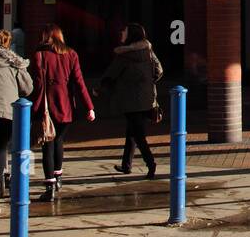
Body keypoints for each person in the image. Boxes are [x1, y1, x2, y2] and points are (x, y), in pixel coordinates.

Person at [30, 24, 95, 201]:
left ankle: (49, 186)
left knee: (47, 145)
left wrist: (32, 106)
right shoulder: (71, 54)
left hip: (47, 108)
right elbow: (79, 82)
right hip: (66, 106)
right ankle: (58, 177)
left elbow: (37, 85)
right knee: (59, 140)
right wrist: (89, 106)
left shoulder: (39, 55)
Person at [98, 22, 163, 178]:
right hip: (147, 98)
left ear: (131, 35)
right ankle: (126, 165)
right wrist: (147, 83)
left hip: (130, 100)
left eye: (125, 31)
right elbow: (159, 70)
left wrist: (100, 89)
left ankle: (151, 164)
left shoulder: (124, 55)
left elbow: (111, 75)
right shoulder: (149, 51)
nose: (122, 32)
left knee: (138, 134)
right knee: (132, 132)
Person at [0, 29, 33, 203]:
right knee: (2, 146)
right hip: (6, 111)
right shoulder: (14, 63)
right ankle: (4, 178)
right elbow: (27, 88)